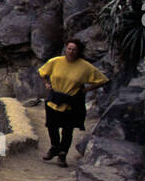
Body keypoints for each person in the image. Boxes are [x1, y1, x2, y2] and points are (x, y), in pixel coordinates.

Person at [37, 38, 108, 167]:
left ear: (78, 51)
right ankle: (54, 147)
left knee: (67, 130)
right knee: (52, 126)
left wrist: (86, 90)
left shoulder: (85, 67)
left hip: (71, 102)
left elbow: (102, 80)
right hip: (54, 98)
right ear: (66, 49)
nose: (71, 52)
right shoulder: (55, 62)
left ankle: (62, 154)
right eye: (69, 49)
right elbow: (42, 72)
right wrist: (47, 83)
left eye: (74, 50)